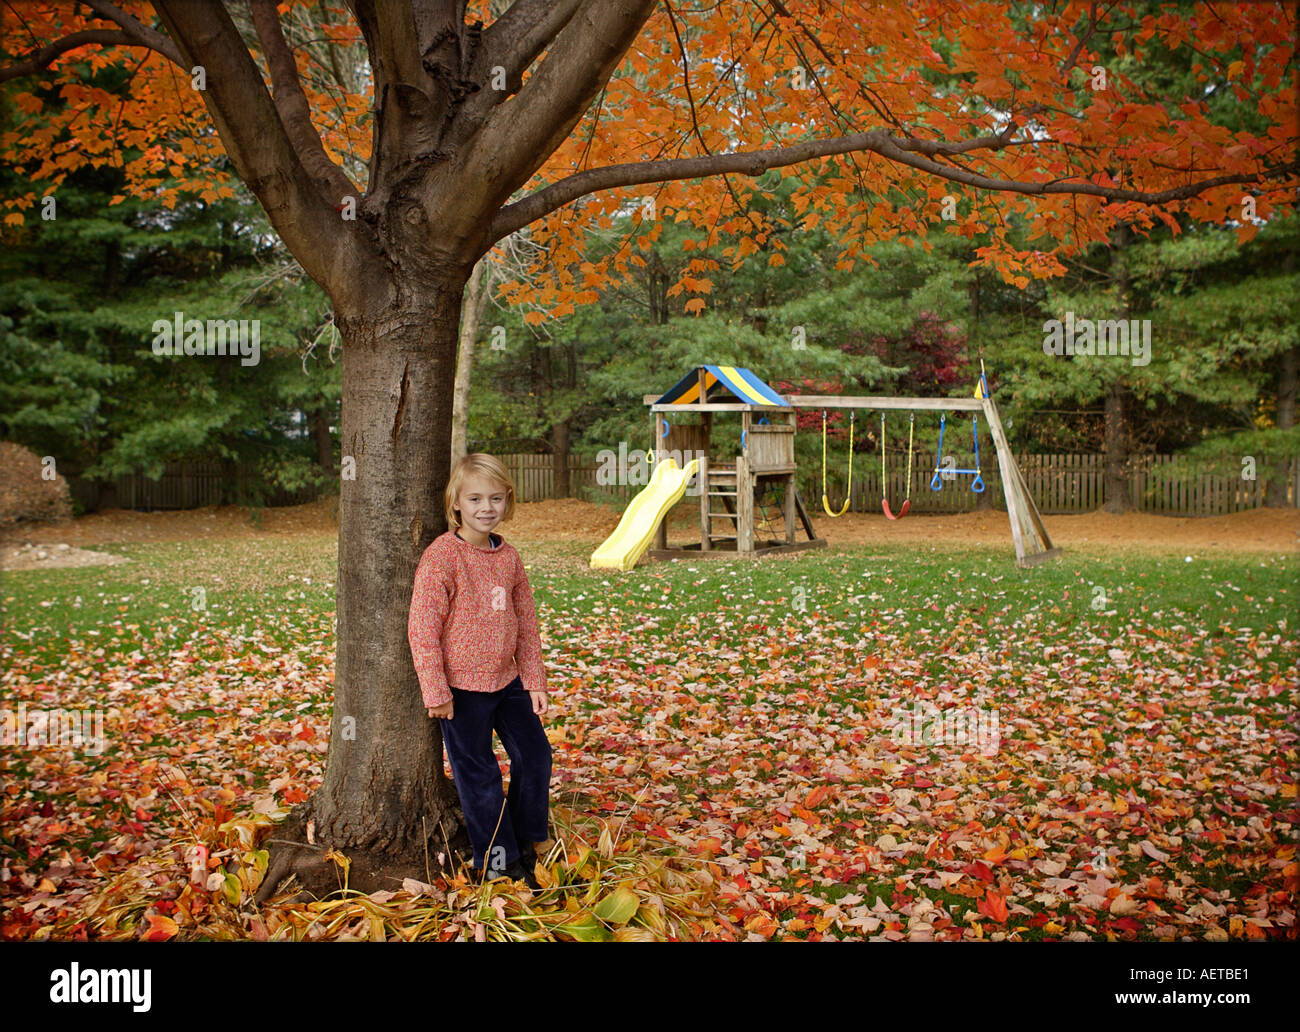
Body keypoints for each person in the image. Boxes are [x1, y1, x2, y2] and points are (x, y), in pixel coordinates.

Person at [407, 453, 552, 888]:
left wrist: (534, 681)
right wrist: (436, 691)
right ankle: (499, 860)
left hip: (508, 683)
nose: (485, 507)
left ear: (507, 501)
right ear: (456, 503)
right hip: (461, 691)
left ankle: (529, 839)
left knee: (536, 755)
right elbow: (422, 629)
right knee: (481, 775)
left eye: (494, 498)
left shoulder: (509, 558)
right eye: (475, 499)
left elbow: (525, 623)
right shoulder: (442, 557)